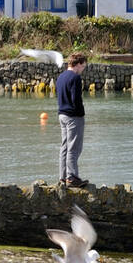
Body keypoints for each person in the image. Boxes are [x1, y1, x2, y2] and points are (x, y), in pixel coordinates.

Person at [56, 53, 88, 188]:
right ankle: (72, 178)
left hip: (62, 114)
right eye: (83, 66)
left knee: (64, 147)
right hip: (73, 117)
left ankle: (62, 177)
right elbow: (76, 99)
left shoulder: (60, 77)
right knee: (74, 148)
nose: (83, 69)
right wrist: (82, 114)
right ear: (78, 64)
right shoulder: (75, 78)